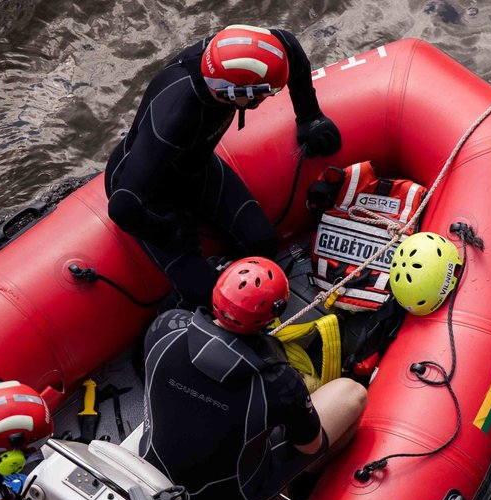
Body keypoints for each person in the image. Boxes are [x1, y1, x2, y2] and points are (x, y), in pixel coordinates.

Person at [105, 24, 343, 309]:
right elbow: (123, 206)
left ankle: (226, 267)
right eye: (264, 93)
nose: (267, 98)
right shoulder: (176, 114)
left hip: (197, 168)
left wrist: (309, 115)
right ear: (233, 93)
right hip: (150, 195)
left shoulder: (231, 60)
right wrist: (166, 231)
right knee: (205, 295)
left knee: (262, 242)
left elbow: (288, 44)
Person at [140, 256, 367, 500]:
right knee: (352, 393)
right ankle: (303, 488)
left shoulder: (165, 326)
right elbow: (310, 446)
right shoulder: (277, 380)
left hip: (153, 460)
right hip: (227, 498)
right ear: (276, 314)